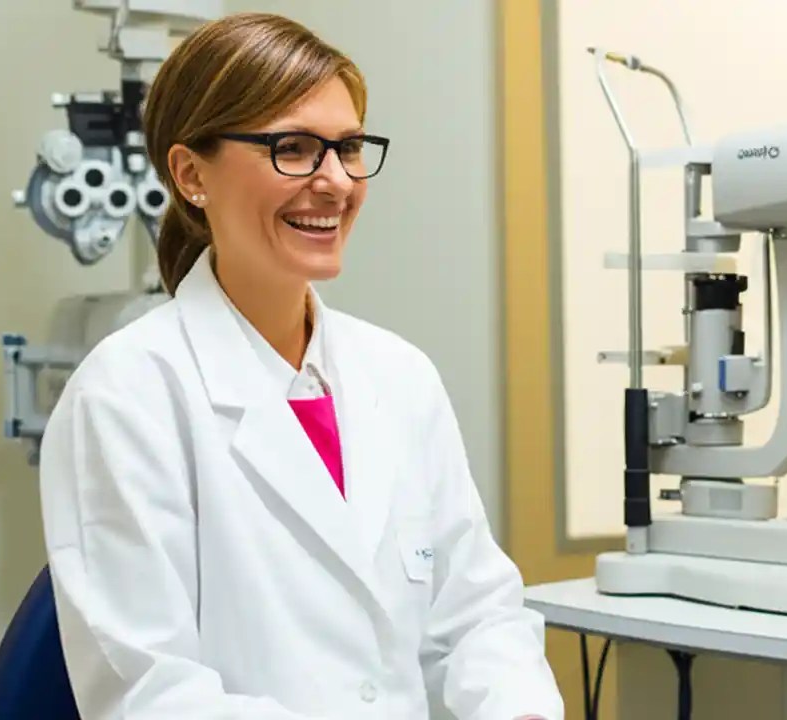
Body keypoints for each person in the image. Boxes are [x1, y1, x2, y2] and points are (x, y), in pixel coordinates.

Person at [38, 13, 561, 720]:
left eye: (348, 148)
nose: (336, 181)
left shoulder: (400, 378)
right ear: (192, 174)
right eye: (294, 148)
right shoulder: (127, 394)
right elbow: (152, 694)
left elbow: (476, 615)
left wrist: (516, 707)